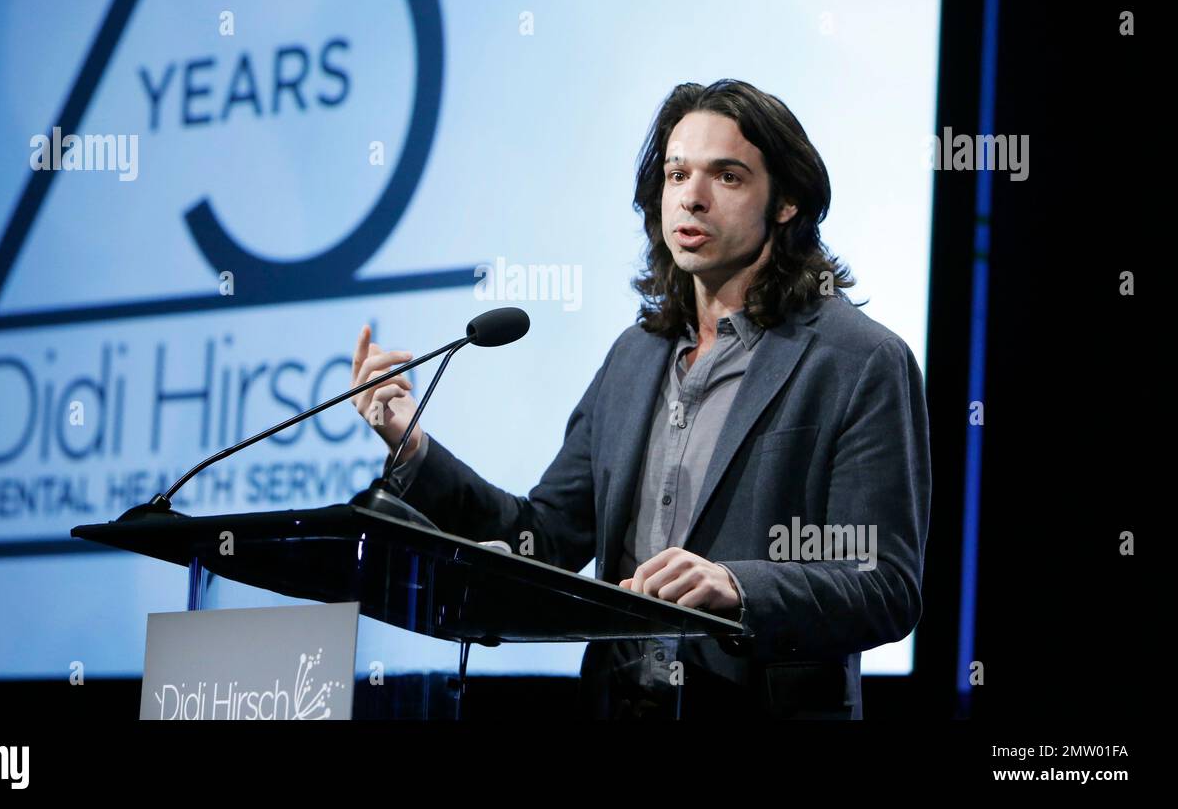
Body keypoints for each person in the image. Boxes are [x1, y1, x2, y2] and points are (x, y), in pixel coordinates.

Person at [349, 79, 931, 719]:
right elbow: (542, 540)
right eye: (677, 173)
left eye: (727, 177)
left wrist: (739, 586)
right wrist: (413, 443)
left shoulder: (857, 361)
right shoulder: (635, 357)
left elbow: (882, 585)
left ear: (787, 201)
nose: (693, 197)